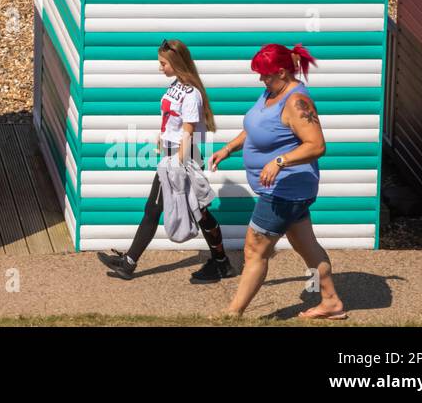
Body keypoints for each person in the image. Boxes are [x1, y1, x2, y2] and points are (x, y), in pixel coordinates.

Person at [210, 43, 347, 319]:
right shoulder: (272, 92)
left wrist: (279, 161)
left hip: (286, 189)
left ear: (282, 72)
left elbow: (317, 145)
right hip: (286, 190)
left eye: (266, 75)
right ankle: (331, 302)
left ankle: (232, 313)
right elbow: (257, 129)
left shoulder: (297, 102)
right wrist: (228, 148)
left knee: (254, 248)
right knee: (306, 245)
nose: (261, 79)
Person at [98, 39, 234, 282]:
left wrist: (176, 162)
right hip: (172, 153)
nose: (160, 67)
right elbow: (173, 121)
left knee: (158, 208)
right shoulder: (176, 86)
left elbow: (188, 131)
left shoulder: (191, 94)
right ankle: (222, 262)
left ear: (176, 63)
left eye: (163, 63)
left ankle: (129, 262)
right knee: (195, 211)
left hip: (182, 156)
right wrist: (162, 138)